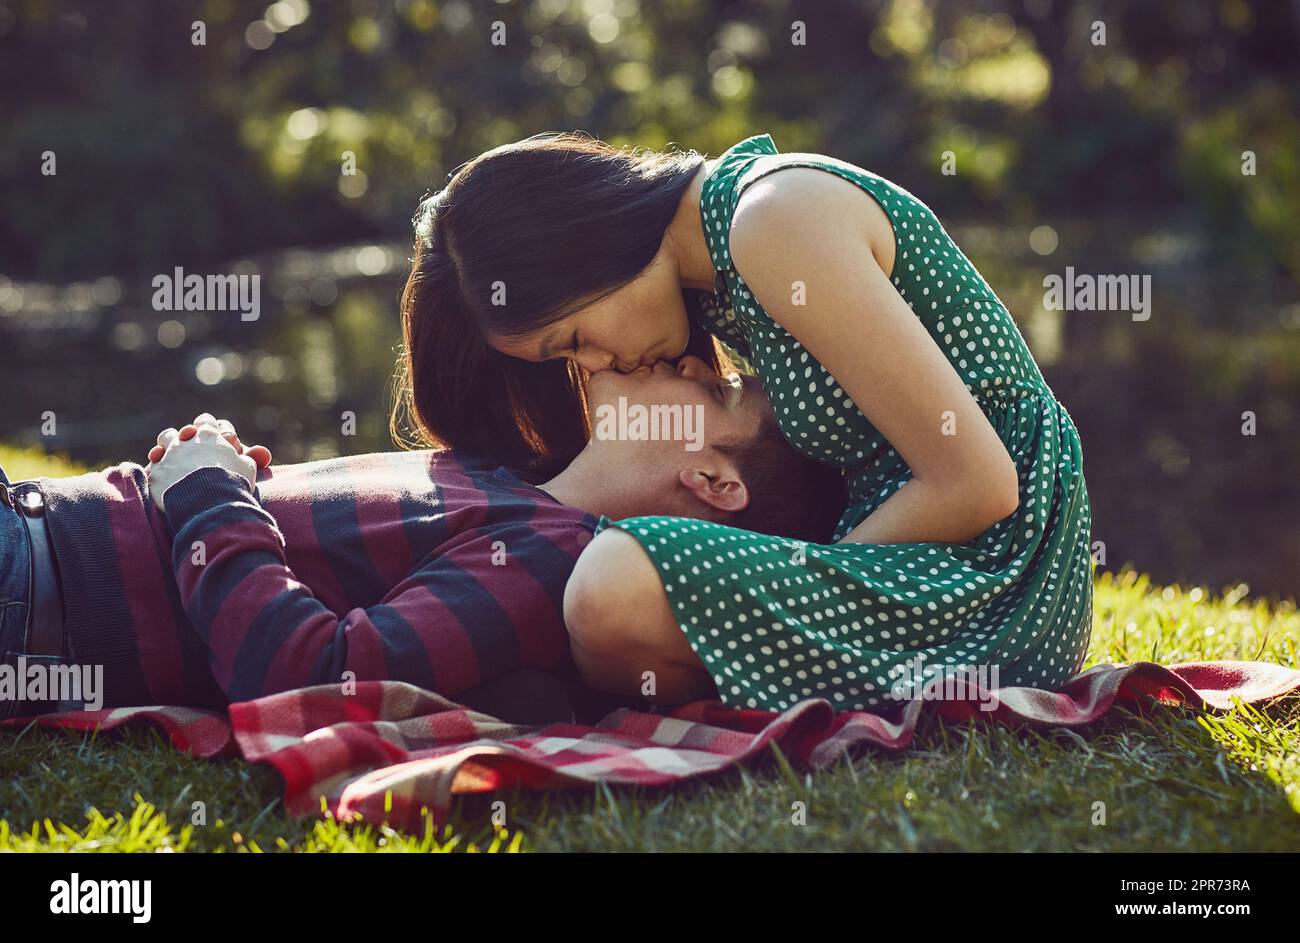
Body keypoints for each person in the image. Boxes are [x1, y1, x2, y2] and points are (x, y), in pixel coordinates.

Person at [395, 131, 1094, 713]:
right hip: (935, 562)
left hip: (998, 572)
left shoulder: (772, 223)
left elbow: (978, 485)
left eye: (574, 339)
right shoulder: (721, 265)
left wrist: (814, 570)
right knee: (612, 600)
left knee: (615, 584)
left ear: (584, 253)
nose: (600, 365)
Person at [0, 357, 845, 721]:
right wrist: (230, 475)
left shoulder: (552, 560)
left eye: (721, 384)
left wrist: (207, 494)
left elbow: (311, 675)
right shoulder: (506, 480)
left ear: (715, 481)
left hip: (42, 589)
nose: (694, 361)